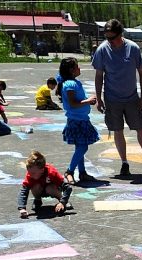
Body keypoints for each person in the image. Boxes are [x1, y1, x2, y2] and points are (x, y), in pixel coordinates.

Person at [92, 18, 142, 176]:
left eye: (112, 37)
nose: (110, 41)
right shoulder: (102, 50)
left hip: (131, 98)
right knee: (118, 130)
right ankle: (124, 163)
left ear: (120, 34)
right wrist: (99, 98)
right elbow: (99, 76)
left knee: (141, 128)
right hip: (112, 99)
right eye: (107, 37)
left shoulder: (133, 48)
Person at [59, 56, 99, 184]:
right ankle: (69, 171)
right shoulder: (70, 84)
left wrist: (88, 101)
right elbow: (73, 104)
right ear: (71, 70)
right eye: (77, 66)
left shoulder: (74, 83)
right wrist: (88, 101)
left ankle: (82, 173)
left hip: (81, 119)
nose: (79, 68)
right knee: (83, 147)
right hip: (77, 121)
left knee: (79, 146)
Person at [17, 151, 73, 218]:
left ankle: (61, 199)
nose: (30, 175)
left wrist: (63, 202)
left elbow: (68, 187)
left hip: (52, 189)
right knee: (35, 186)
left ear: (42, 170)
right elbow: (23, 191)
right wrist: (22, 208)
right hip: (39, 190)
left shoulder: (51, 172)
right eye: (29, 172)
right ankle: (37, 200)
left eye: (33, 173)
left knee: (49, 188)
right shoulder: (30, 175)